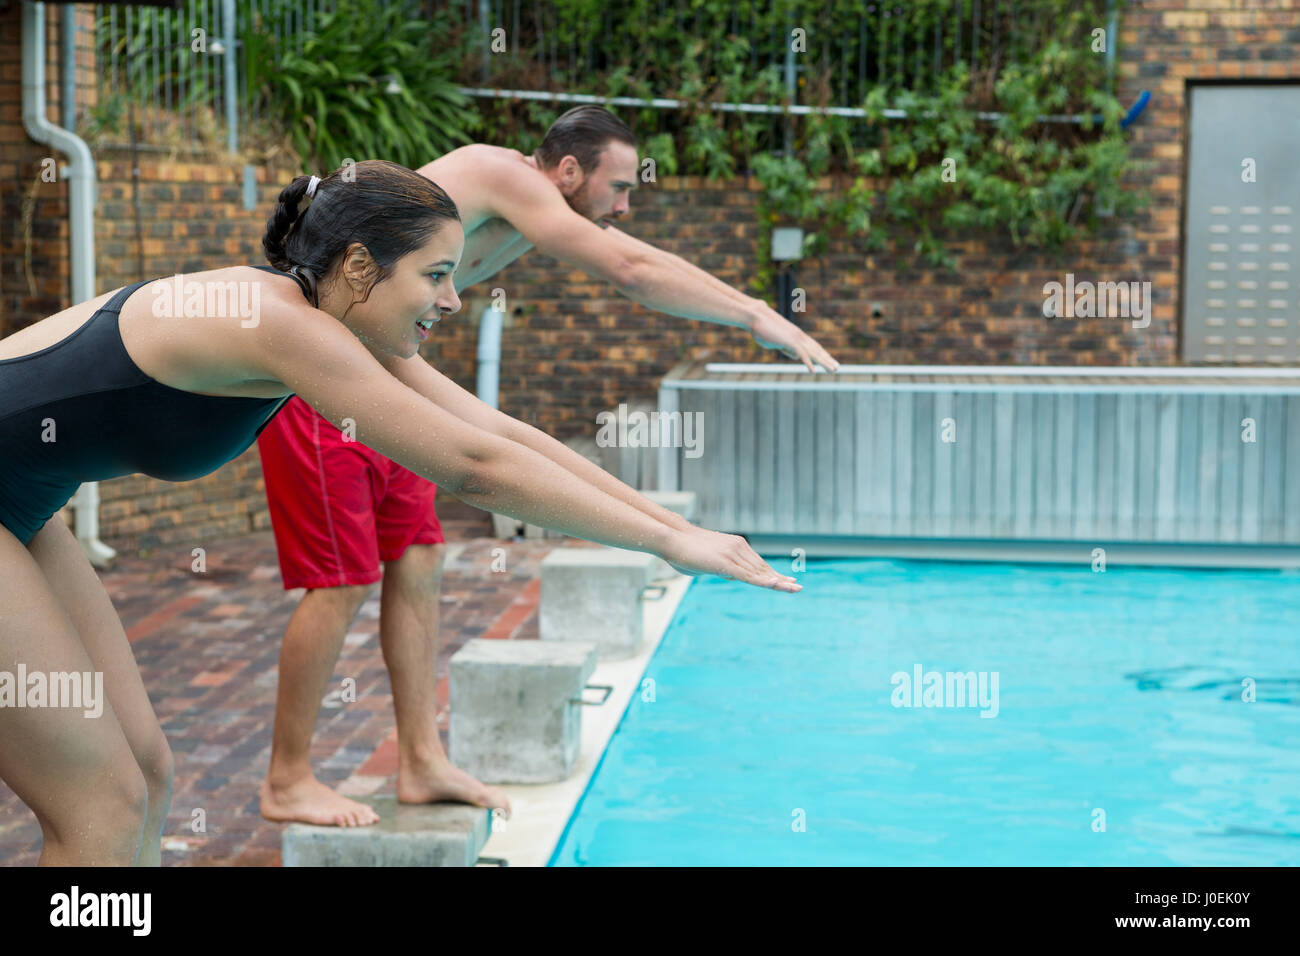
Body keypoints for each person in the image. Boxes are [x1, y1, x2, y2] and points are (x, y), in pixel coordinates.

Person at [0, 159, 800, 865]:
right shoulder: (280, 323)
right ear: (358, 265)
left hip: (28, 508)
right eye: (436, 274)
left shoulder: (324, 317)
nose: (453, 299)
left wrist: (679, 530)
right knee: (101, 806)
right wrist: (662, 542)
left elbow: (495, 431)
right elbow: (472, 470)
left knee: (147, 773)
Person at [258, 107, 839, 828]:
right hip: (321, 377)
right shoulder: (505, 175)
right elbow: (631, 268)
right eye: (619, 187)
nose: (625, 206)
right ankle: (287, 777)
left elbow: (636, 254)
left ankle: (420, 759)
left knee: (417, 556)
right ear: (567, 171)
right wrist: (758, 316)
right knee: (340, 582)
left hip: (387, 372)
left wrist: (749, 310)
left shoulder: (523, 193)